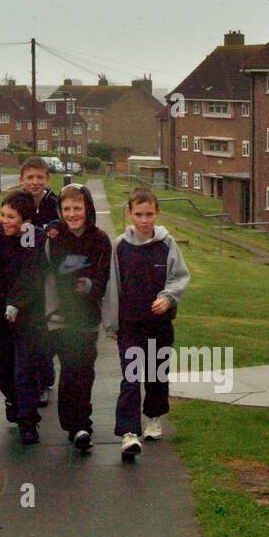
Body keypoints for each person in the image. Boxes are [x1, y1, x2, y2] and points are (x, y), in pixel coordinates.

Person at [103, 186, 190, 462]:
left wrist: (168, 298)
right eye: (138, 214)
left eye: (149, 214)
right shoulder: (120, 246)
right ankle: (129, 433)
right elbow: (112, 286)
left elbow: (179, 276)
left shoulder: (167, 244)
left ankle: (153, 417)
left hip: (159, 324)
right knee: (131, 376)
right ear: (129, 214)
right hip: (130, 324)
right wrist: (112, 324)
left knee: (156, 373)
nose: (144, 220)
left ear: (157, 213)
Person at [44, 183, 111, 452]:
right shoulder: (55, 236)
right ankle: (76, 424)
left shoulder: (100, 240)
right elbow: (45, 271)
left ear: (88, 209)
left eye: (77, 208)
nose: (72, 214)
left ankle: (81, 424)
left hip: (87, 316)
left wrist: (92, 286)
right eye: (67, 209)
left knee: (85, 370)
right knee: (71, 369)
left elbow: (104, 276)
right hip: (60, 316)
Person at [0, 190, 48, 445]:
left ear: (25, 221)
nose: (4, 221)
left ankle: (28, 421)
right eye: (2, 215)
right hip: (0, 316)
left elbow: (32, 279)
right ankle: (12, 399)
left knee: (25, 368)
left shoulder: (36, 243)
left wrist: (16, 305)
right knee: (2, 368)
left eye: (10, 217)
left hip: (29, 317)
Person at [17, 157, 59, 401]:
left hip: (49, 276)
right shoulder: (16, 203)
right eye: (30, 178)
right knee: (27, 333)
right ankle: (32, 380)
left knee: (45, 331)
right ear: (22, 180)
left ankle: (44, 380)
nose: (35, 182)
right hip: (24, 276)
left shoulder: (54, 203)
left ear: (47, 179)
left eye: (39, 177)